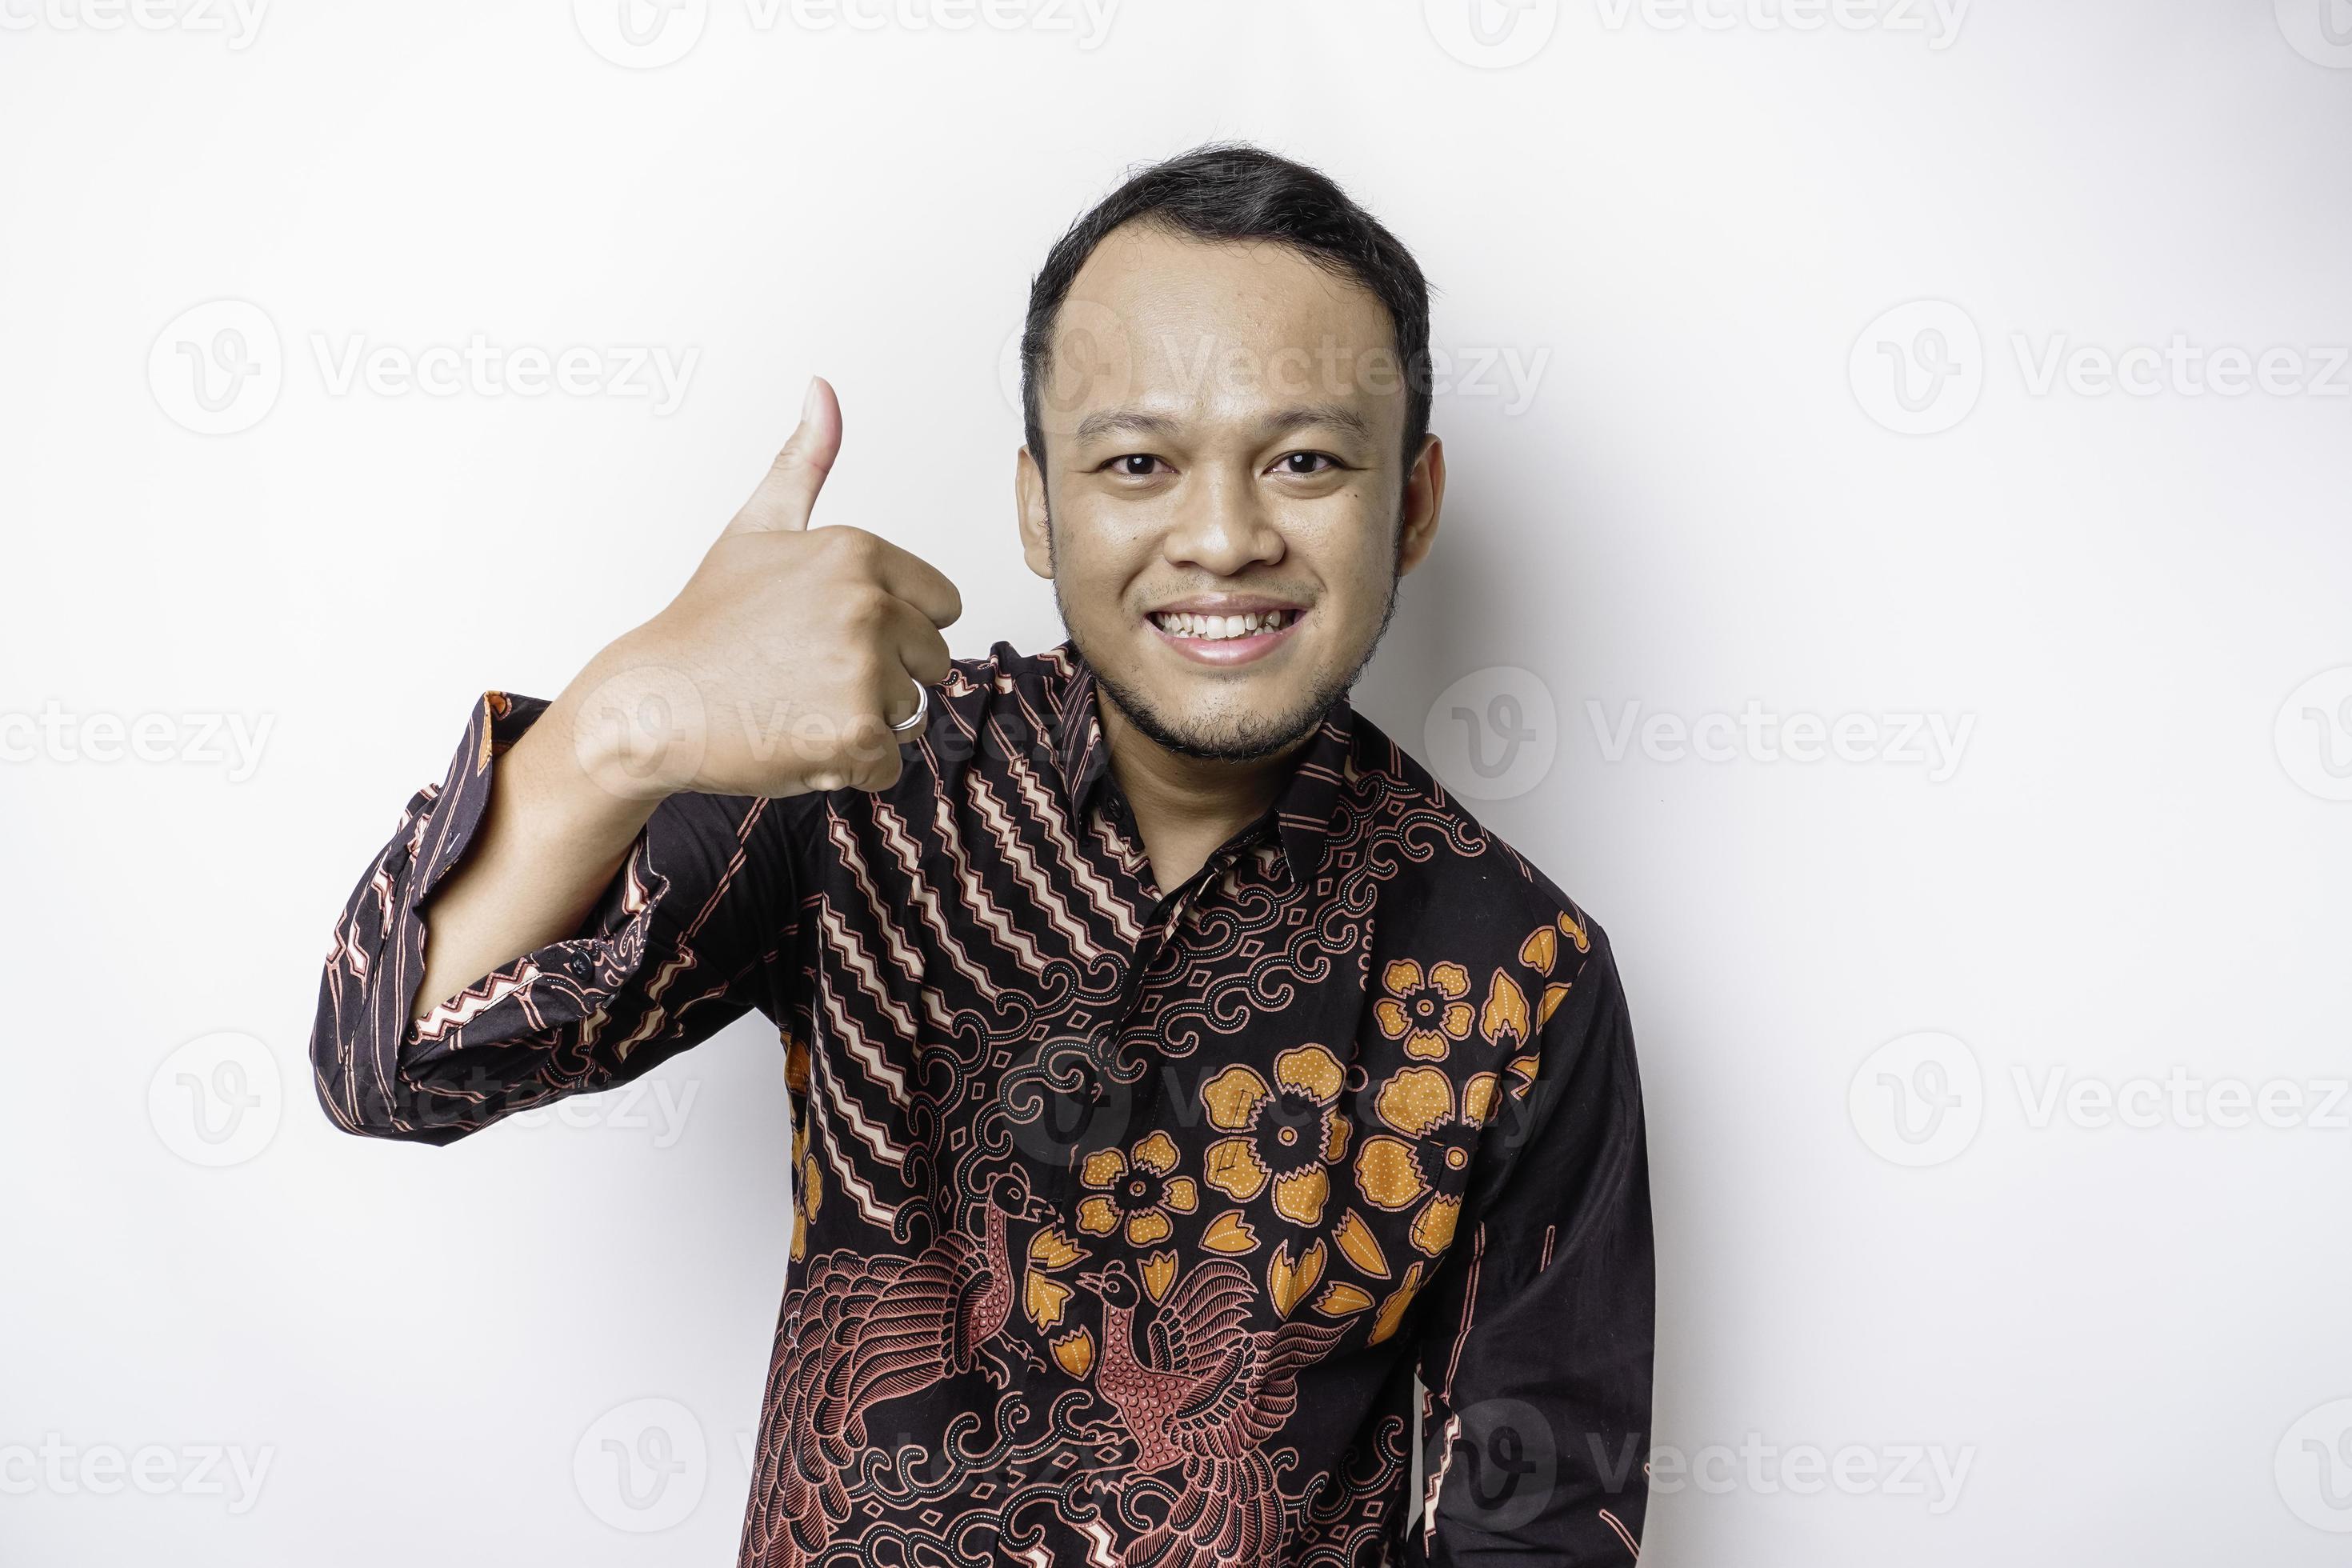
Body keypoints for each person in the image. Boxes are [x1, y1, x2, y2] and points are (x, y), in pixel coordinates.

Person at [309, 142, 1654, 1567]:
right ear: (1037, 503)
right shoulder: (858, 784)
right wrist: (628, 721)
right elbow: (390, 1065)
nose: (1221, 536)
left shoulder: (1521, 972)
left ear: (1416, 501)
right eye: (1138, 462)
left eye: (1306, 460)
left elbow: (1545, 1516)